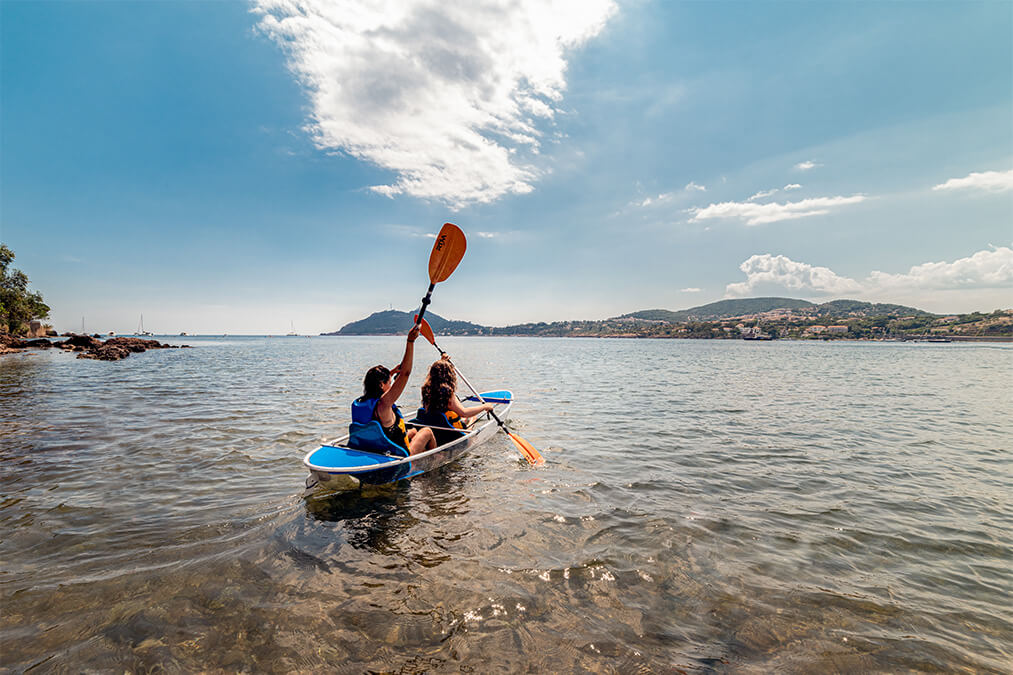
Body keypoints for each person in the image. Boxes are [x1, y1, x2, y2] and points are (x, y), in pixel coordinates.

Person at [350, 325, 436, 456]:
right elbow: (405, 374)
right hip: (398, 455)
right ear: (381, 385)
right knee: (427, 431)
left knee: (412, 431)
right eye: (389, 382)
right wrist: (410, 341)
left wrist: (392, 372)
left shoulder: (362, 402)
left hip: (377, 447)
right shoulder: (384, 404)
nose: (391, 386)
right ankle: (433, 461)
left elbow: (383, 380)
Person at [417, 357, 494, 445]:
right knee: (471, 417)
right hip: (449, 435)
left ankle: (467, 423)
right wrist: (485, 406)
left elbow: (437, 373)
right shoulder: (448, 394)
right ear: (449, 375)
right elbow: (464, 412)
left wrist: (442, 362)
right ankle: (471, 426)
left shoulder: (426, 389)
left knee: (459, 418)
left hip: (435, 429)